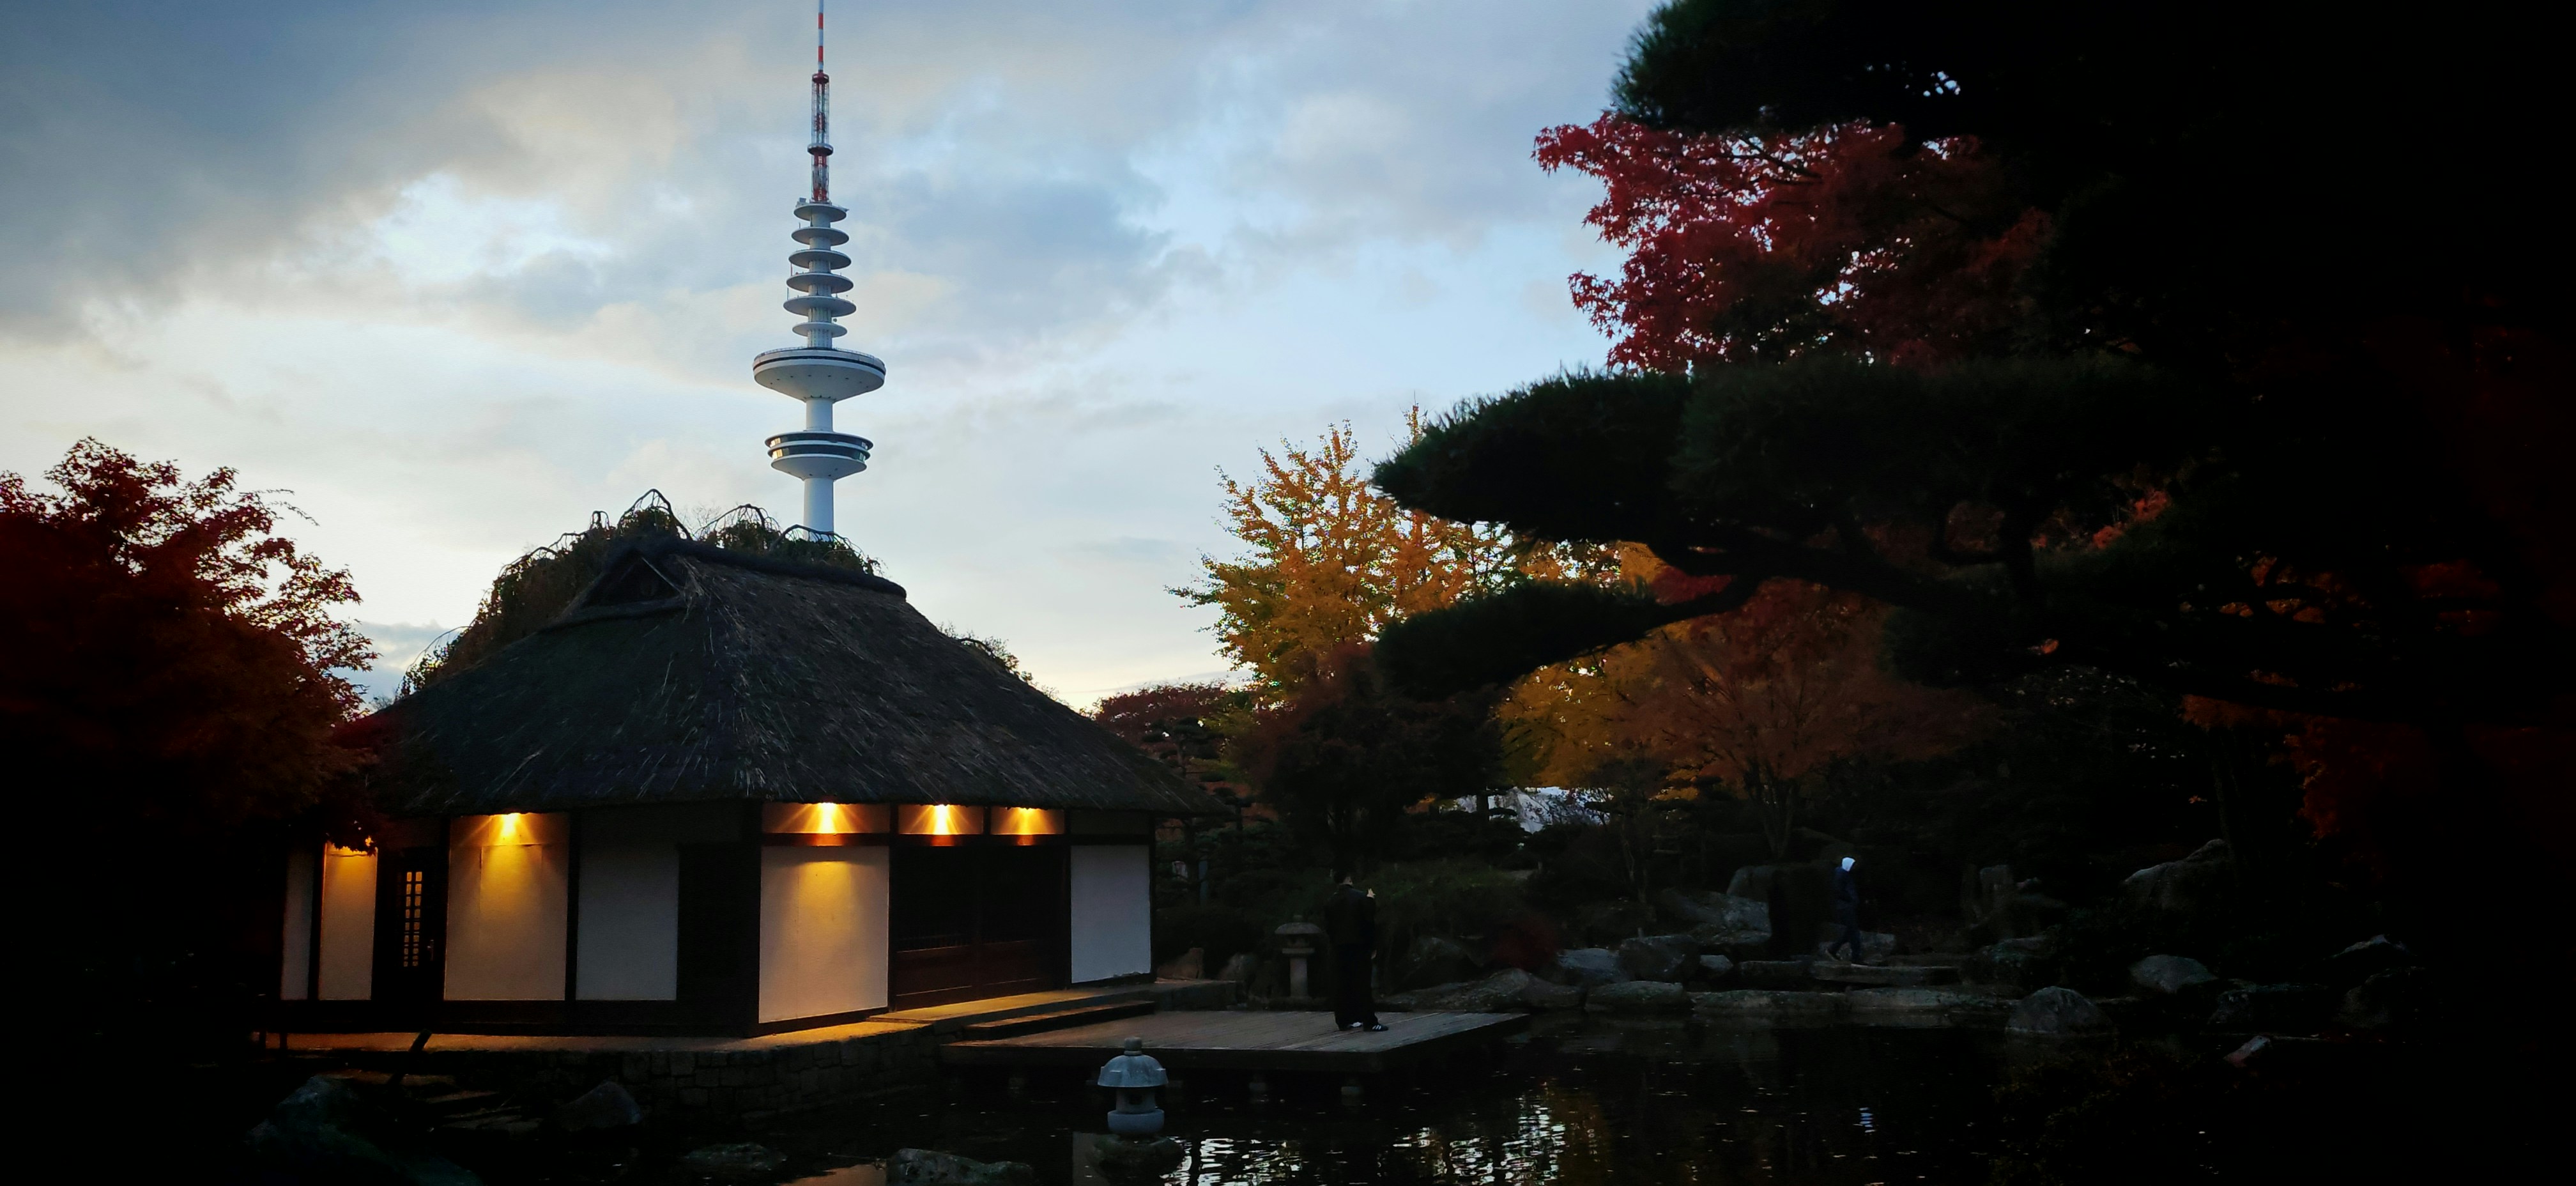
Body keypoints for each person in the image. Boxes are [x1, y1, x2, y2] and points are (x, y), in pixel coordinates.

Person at [1322, 874, 1384, 1031]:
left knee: (1343, 984)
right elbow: (1368, 922)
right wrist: (1371, 900)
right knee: (1363, 984)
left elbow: (1329, 927)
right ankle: (1370, 1021)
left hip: (1339, 948)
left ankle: (1344, 1020)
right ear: (1349, 879)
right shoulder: (1360, 897)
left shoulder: (1331, 901)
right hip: (1359, 947)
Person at [1828, 856, 1864, 962]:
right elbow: (1838, 891)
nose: (1855, 867)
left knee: (1850, 932)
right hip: (1845, 907)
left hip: (1846, 906)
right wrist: (1850, 899)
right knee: (1854, 933)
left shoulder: (1845, 875)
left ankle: (1833, 949)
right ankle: (1856, 958)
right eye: (1853, 865)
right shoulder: (1841, 875)